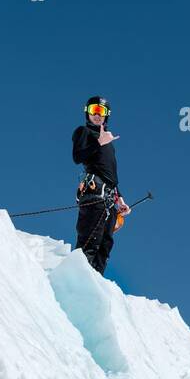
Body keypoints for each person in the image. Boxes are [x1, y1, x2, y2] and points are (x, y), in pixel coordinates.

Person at [72, 96, 129, 274]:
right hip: (94, 195)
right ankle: (78, 284)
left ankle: (93, 287)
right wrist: (98, 142)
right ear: (87, 112)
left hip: (110, 199)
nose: (97, 115)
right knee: (89, 243)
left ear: (107, 115)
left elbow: (109, 173)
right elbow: (77, 157)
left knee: (104, 248)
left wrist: (120, 198)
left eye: (101, 111)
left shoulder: (109, 142)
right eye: (94, 110)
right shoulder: (84, 132)